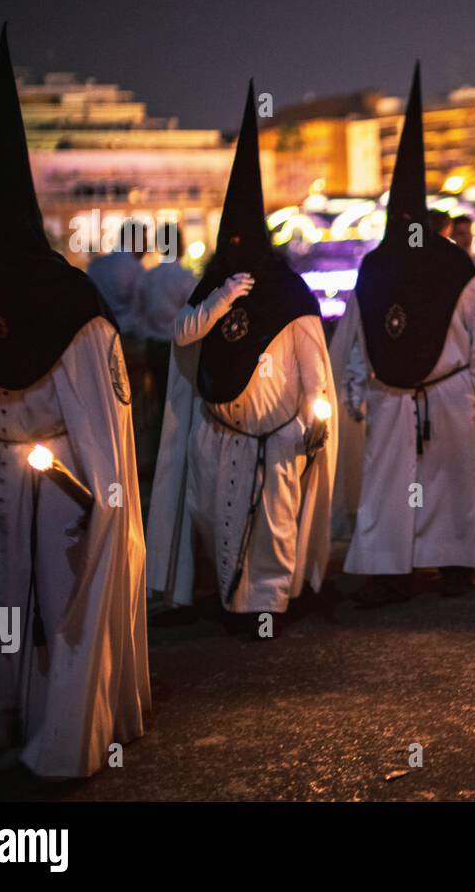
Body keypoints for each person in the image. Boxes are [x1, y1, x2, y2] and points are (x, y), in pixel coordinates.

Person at [0, 28, 149, 776]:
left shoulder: (69, 303)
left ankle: (62, 739)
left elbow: (98, 418)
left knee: (57, 613)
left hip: (56, 483)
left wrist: (98, 502)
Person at [342, 64, 475, 606]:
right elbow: (362, 333)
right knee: (389, 490)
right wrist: (355, 387)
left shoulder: (456, 267)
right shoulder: (374, 268)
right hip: (391, 398)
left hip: (449, 396)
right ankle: (390, 572)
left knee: (453, 486)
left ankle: (455, 563)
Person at [145, 82, 338, 634]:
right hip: (218, 432)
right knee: (217, 524)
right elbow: (182, 335)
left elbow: (311, 366)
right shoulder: (211, 287)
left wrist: (312, 416)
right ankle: (234, 604)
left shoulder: (291, 294)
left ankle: (267, 611)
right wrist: (222, 296)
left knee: (272, 527)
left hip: (275, 434)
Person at [137, 224, 198, 412]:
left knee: (158, 400)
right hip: (178, 348)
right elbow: (193, 317)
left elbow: (141, 310)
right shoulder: (186, 277)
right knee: (177, 405)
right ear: (179, 245)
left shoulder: (147, 277)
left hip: (152, 346)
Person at [87, 219, 147, 335]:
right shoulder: (136, 269)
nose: (146, 247)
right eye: (144, 241)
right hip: (127, 334)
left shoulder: (95, 265)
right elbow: (140, 306)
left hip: (99, 333)